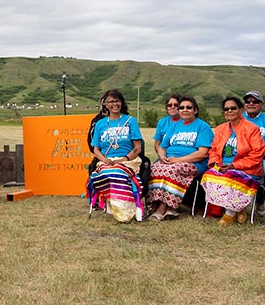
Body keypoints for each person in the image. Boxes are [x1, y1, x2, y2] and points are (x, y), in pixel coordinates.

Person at [202, 95, 265, 225]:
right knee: (208, 175)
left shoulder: (252, 129)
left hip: (247, 169)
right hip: (224, 167)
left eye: (233, 108)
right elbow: (214, 150)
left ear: (241, 110)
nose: (229, 111)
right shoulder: (220, 129)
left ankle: (230, 213)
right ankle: (239, 208)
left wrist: (234, 165)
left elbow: (257, 154)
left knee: (230, 176)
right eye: (226, 109)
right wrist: (216, 164)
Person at [145, 96, 212, 220]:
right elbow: (162, 147)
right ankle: (160, 205)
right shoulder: (175, 126)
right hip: (171, 160)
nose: (184, 110)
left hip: (194, 163)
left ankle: (162, 209)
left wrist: (179, 160)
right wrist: (162, 157)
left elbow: (203, 153)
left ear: (195, 110)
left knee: (172, 170)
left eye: (188, 107)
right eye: (181, 108)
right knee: (154, 169)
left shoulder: (203, 127)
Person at [87, 89, 145, 221]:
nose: (114, 104)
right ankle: (116, 206)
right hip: (106, 161)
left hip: (128, 160)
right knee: (105, 173)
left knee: (117, 171)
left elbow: (137, 148)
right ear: (106, 105)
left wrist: (124, 159)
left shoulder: (130, 121)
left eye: (117, 101)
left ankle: (123, 208)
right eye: (111, 101)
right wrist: (105, 160)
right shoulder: (100, 124)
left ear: (122, 103)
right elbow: (96, 150)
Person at [242, 91, 265, 186]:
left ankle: (260, 193)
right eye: (247, 101)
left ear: (262, 105)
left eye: (255, 101)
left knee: (262, 170)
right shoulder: (238, 119)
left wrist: (254, 158)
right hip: (239, 157)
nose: (251, 104)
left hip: (263, 159)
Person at [151, 94, 183, 160]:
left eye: (176, 105)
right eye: (169, 105)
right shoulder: (162, 122)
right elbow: (157, 144)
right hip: (165, 156)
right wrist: (163, 157)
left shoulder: (187, 122)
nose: (172, 107)